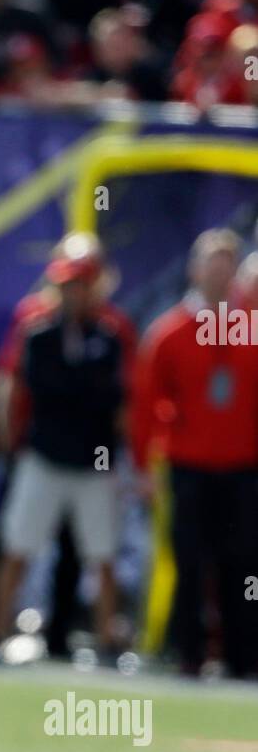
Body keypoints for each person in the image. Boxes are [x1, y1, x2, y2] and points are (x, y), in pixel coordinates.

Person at [132, 229, 258, 677]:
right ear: (195, 269)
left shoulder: (251, 329)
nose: (220, 274)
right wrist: (144, 465)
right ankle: (189, 655)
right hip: (189, 466)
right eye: (212, 264)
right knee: (189, 560)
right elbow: (146, 404)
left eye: (228, 265)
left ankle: (242, 659)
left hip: (244, 468)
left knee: (243, 565)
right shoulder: (170, 333)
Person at [0, 246, 126, 657]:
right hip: (45, 457)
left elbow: (108, 396)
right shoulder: (38, 333)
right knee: (16, 549)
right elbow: (47, 389)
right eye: (66, 285)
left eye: (80, 285)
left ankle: (106, 644)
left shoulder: (109, 336)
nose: (72, 293)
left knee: (101, 557)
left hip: (91, 462)